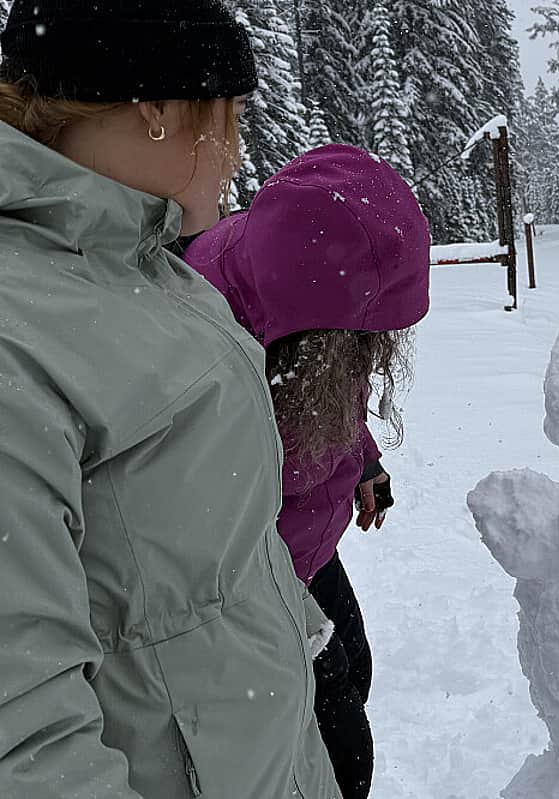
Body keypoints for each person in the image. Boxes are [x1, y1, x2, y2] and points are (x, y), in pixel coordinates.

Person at [0, 2, 342, 798]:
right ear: (155, 108)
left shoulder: (160, 275)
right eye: (229, 119)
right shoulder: (20, 329)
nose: (234, 152)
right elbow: (21, 731)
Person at [183, 144, 432, 799]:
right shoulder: (206, 326)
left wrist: (364, 462)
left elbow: (330, 395)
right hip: (253, 569)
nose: (371, 358)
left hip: (309, 544)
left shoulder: (315, 295)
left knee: (352, 670)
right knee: (338, 737)